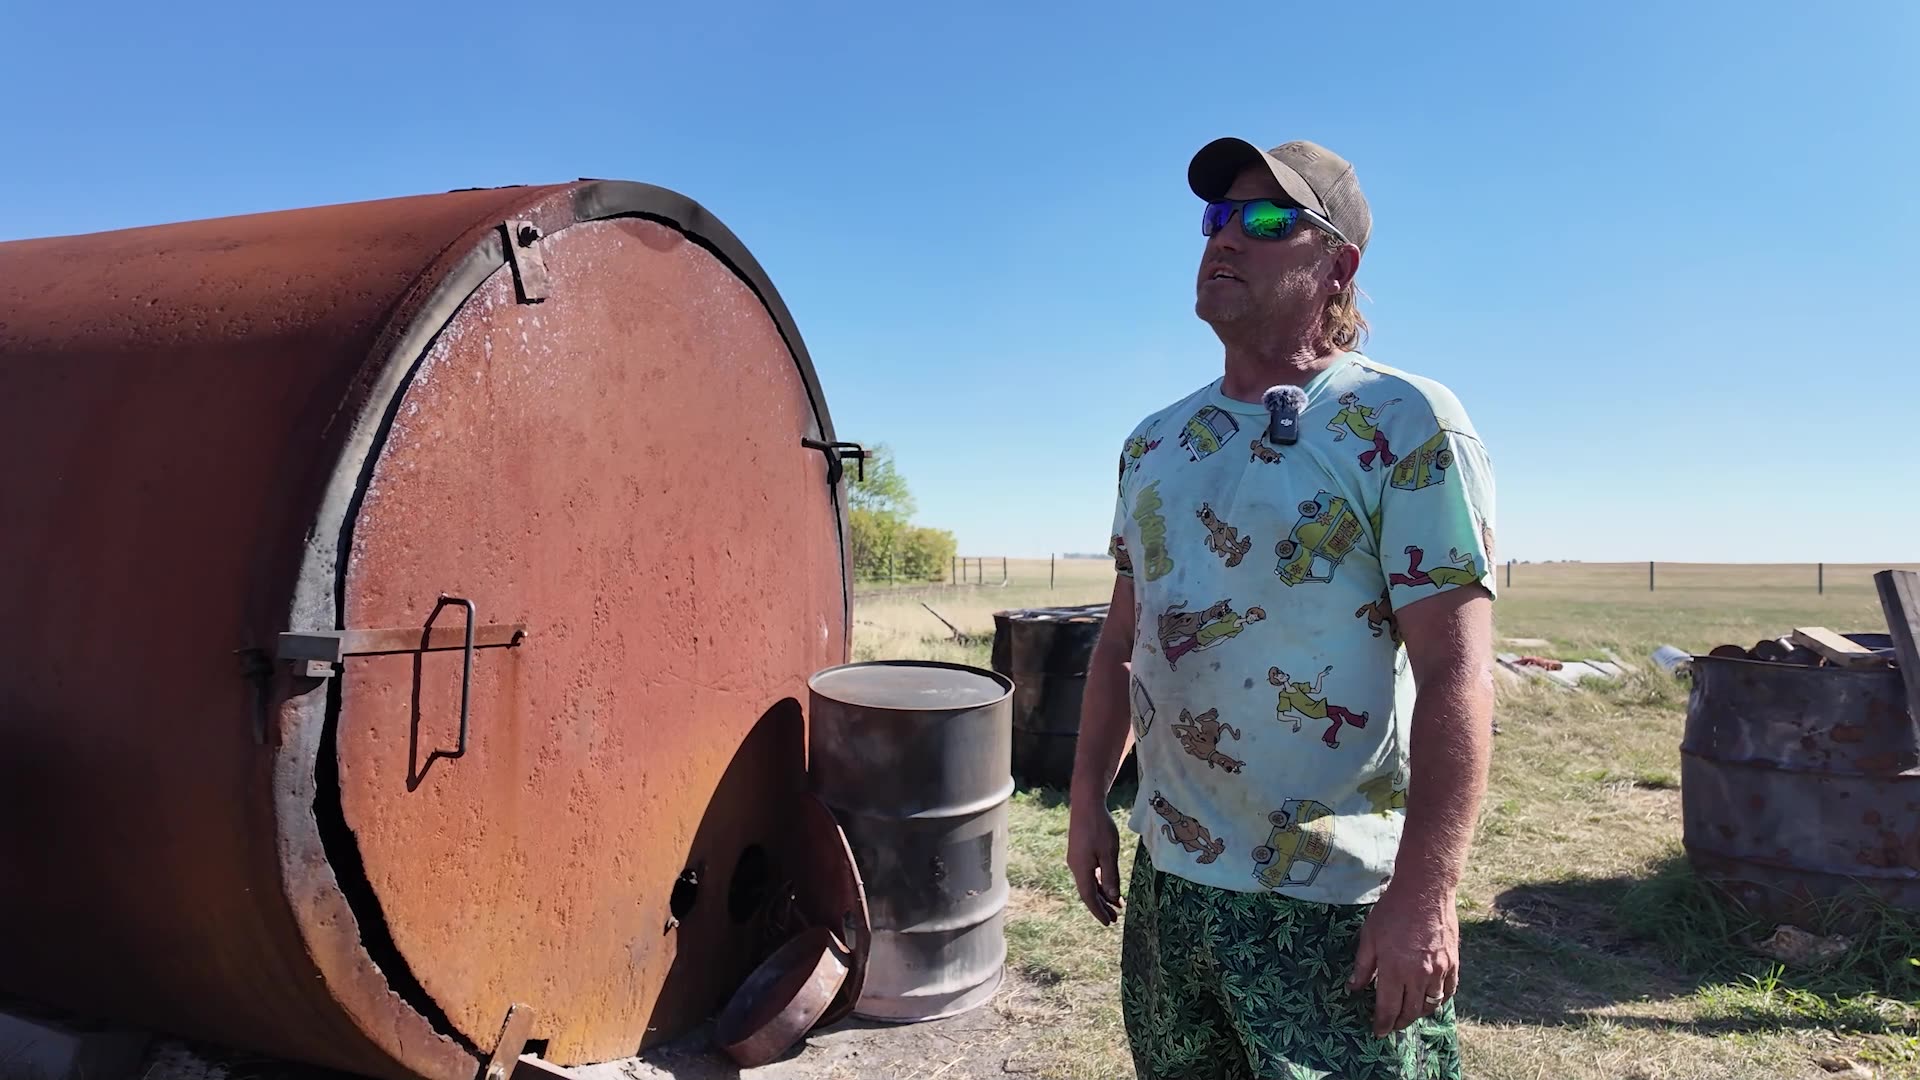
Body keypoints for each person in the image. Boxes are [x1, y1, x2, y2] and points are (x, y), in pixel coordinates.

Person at [1066, 136, 1498, 1080]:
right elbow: (1122, 643)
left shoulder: (1403, 423)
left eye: (1267, 220)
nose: (1226, 238)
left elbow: (1456, 671)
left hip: (1334, 902)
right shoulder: (1154, 443)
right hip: (1172, 886)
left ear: (1338, 266)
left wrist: (1427, 894)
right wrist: (1088, 799)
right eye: (1217, 218)